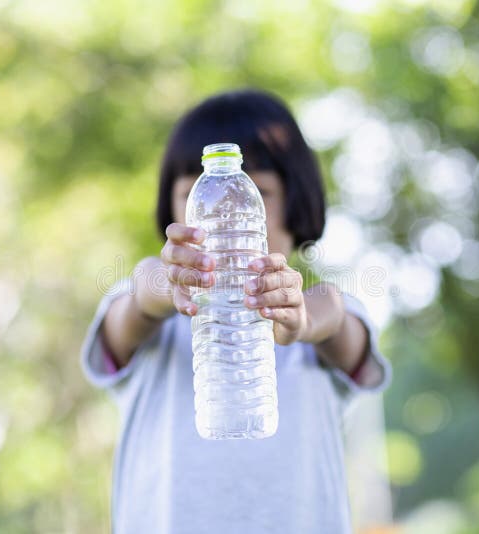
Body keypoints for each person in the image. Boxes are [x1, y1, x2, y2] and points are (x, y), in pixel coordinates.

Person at [80, 88, 391, 534]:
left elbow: (335, 316)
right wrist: (164, 286)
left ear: (296, 202)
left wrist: (299, 320)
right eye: (198, 194)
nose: (224, 212)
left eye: (256, 193)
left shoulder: (315, 312)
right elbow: (137, 300)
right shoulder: (155, 315)